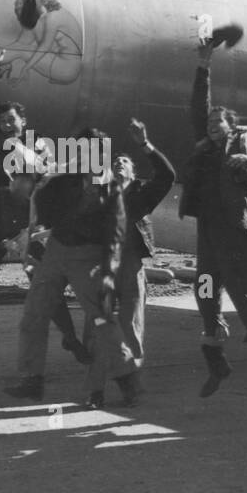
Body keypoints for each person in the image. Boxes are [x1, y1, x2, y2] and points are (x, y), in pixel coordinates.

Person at [0, 38, 89, 366]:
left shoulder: (36, 144)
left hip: (24, 212)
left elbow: (47, 178)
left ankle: (70, 338)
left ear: (23, 121)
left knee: (41, 276)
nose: (6, 124)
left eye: (12, 120)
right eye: (2, 121)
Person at [179, 38, 247, 407]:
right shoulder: (205, 149)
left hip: (237, 236)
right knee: (206, 293)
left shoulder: (244, 145)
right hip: (209, 235)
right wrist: (202, 66)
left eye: (218, 121)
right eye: (209, 122)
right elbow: (199, 106)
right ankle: (217, 364)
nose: (211, 125)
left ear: (231, 126)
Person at [5, 131, 140, 409]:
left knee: (102, 320)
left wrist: (109, 271)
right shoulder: (61, 180)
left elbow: (116, 232)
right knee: (34, 313)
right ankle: (32, 378)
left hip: (88, 257)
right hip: (56, 251)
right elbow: (40, 213)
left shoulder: (110, 187)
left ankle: (126, 376)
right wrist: (39, 184)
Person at [109, 119, 176, 364]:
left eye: (125, 161)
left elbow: (168, 176)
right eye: (115, 161)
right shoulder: (101, 197)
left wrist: (145, 144)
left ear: (133, 172)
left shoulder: (142, 195)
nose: (119, 163)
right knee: (98, 324)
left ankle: (133, 376)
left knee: (130, 321)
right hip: (104, 264)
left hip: (130, 265)